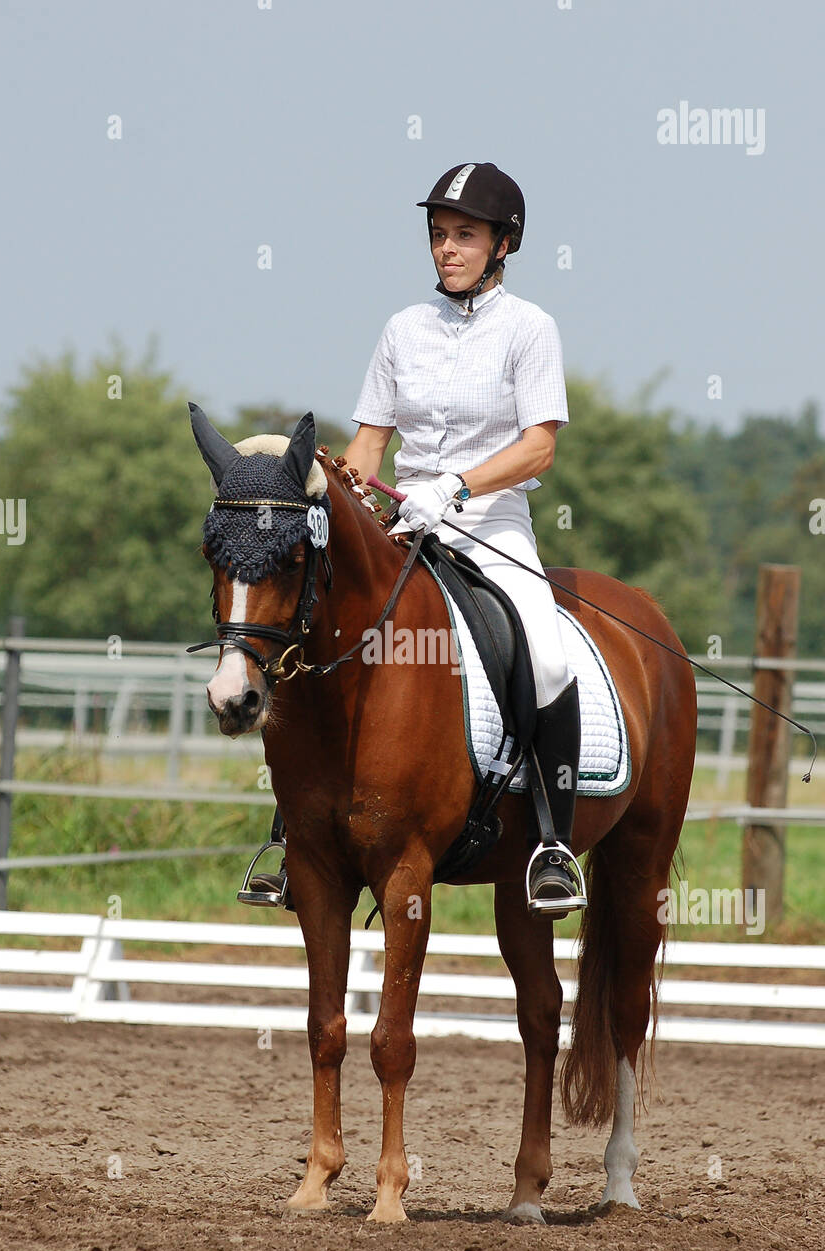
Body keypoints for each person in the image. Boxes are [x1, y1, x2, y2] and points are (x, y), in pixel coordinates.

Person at [253, 161, 586, 917]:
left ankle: (553, 843)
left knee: (548, 652)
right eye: (438, 235)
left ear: (504, 244)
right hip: (403, 524)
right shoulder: (403, 328)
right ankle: (288, 831)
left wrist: (457, 485)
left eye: (464, 236)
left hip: (491, 523)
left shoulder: (530, 330)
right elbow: (370, 443)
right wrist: (347, 493)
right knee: (317, 633)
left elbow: (539, 447)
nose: (446, 249)